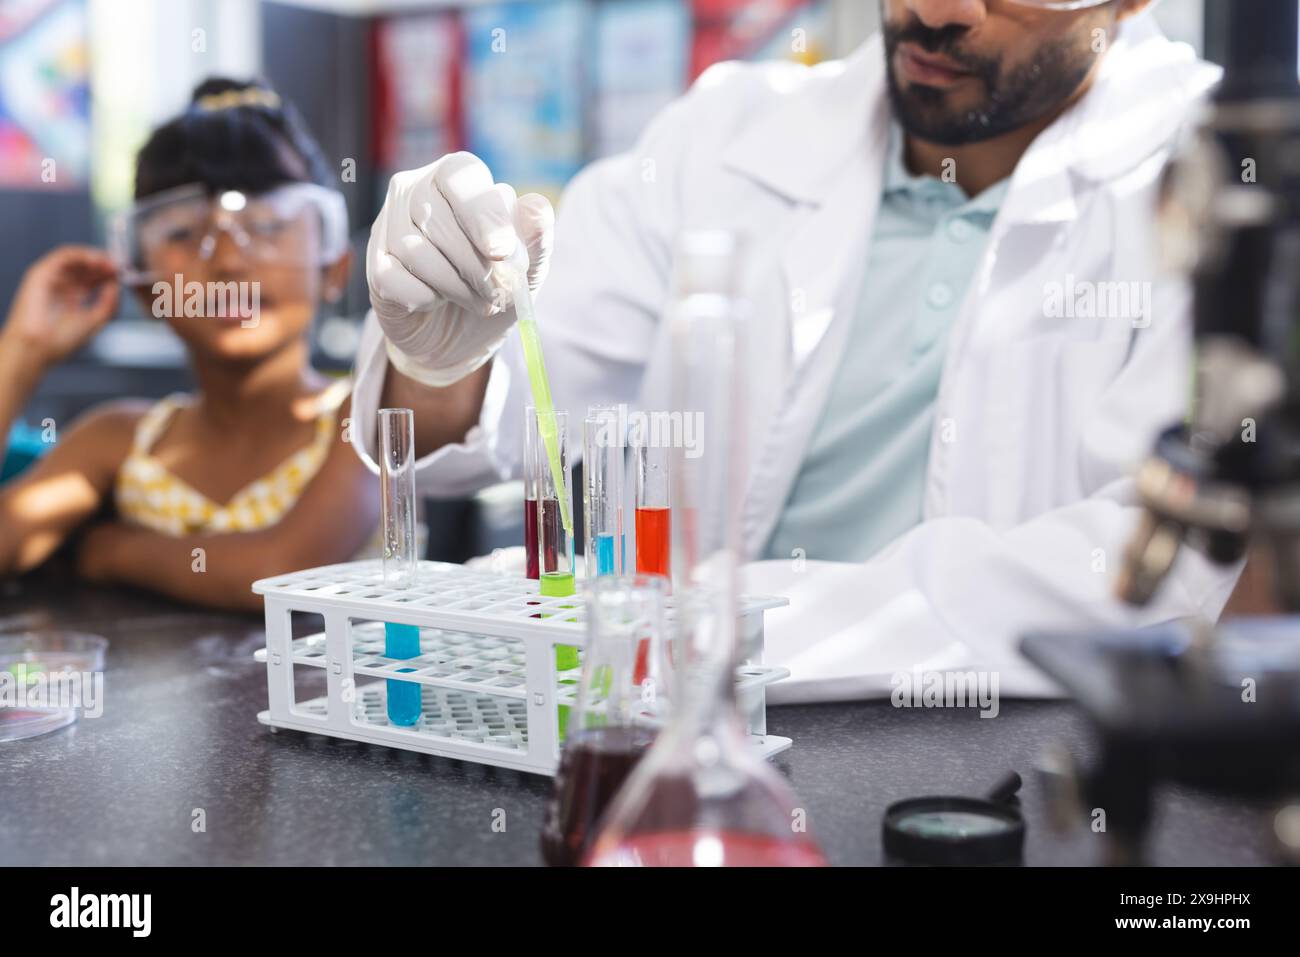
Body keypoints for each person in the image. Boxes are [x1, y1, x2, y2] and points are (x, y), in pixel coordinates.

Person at [355, 0, 1239, 700]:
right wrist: (440, 353)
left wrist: (725, 622)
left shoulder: (1219, 180)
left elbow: (1151, 566)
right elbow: (487, 420)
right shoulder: (725, 136)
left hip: (992, 772)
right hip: (662, 722)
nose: (939, 10)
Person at [0, 78, 376, 612]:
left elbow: (282, 574)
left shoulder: (367, 421)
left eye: (268, 224)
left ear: (334, 267)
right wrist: (23, 350)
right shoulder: (120, 441)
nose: (228, 262)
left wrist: (111, 552)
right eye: (182, 232)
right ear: (145, 288)